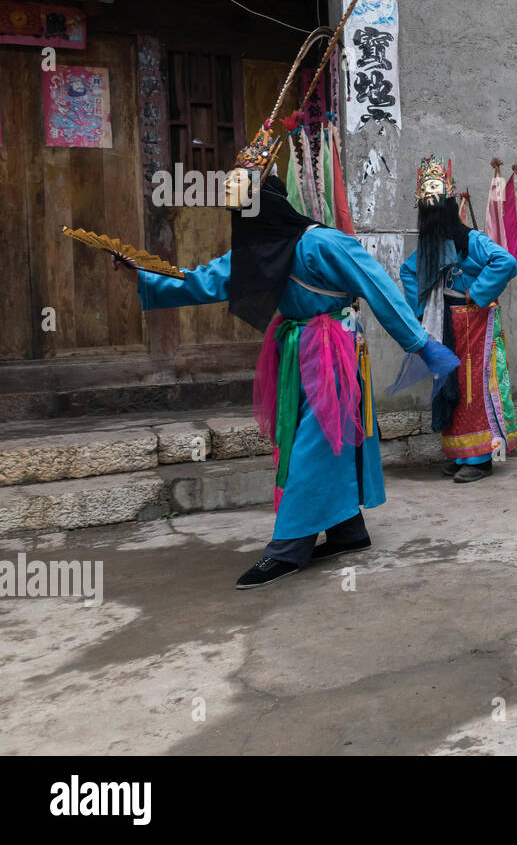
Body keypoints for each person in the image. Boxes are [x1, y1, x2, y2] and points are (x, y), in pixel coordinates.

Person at [117, 125, 457, 589]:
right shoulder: (257, 252)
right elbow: (200, 280)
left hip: (332, 351)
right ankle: (346, 530)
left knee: (314, 447)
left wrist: (420, 344)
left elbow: (378, 289)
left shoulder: (323, 244)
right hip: (294, 350)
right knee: (309, 440)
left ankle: (289, 546)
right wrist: (143, 275)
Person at [398, 155, 517, 483]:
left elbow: (506, 263)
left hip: (473, 320)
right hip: (444, 321)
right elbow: (407, 271)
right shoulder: (431, 246)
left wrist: (475, 292)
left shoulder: (471, 240)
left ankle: (480, 458)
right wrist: (422, 308)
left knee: (471, 388)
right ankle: (458, 452)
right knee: (447, 385)